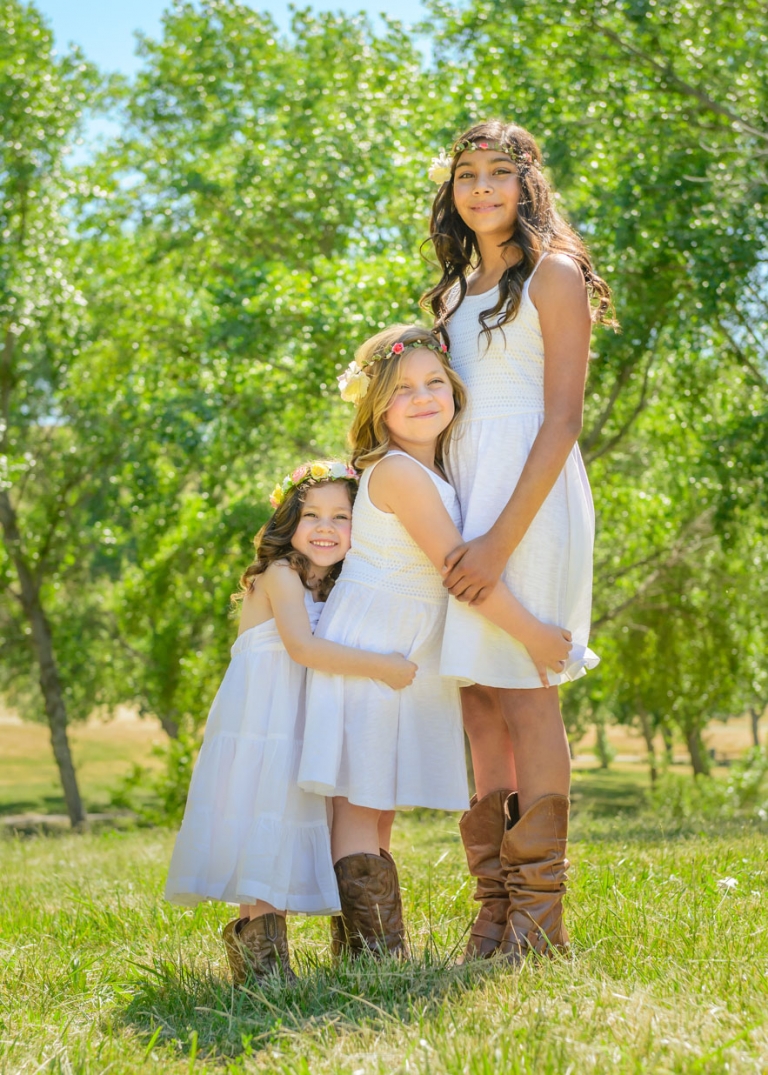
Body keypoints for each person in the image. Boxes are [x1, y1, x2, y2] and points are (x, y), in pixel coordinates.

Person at [298, 325, 572, 960]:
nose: (422, 398)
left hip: (397, 648)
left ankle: (370, 948)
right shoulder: (399, 474)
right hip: (374, 647)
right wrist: (532, 633)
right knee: (362, 804)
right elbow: (458, 569)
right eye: (402, 391)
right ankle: (373, 955)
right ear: (374, 407)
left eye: (434, 384)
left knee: (373, 802)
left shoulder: (425, 468)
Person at [422, 120, 614, 963]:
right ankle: (494, 914)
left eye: (501, 173)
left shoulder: (555, 276)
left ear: (528, 183)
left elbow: (562, 419)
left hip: (529, 498)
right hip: (464, 492)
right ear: (451, 190)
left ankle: (540, 925)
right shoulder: (455, 291)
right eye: (468, 174)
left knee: (527, 686)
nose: (483, 188)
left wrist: (499, 539)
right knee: (475, 694)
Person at [164, 461, 417, 984]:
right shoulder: (279, 575)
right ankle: (262, 970)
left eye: (341, 516)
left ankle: (360, 951)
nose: (326, 528)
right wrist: (385, 668)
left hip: (309, 724)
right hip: (267, 725)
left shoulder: (342, 584)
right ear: (288, 521)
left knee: (321, 828)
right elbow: (302, 649)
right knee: (268, 830)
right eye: (312, 515)